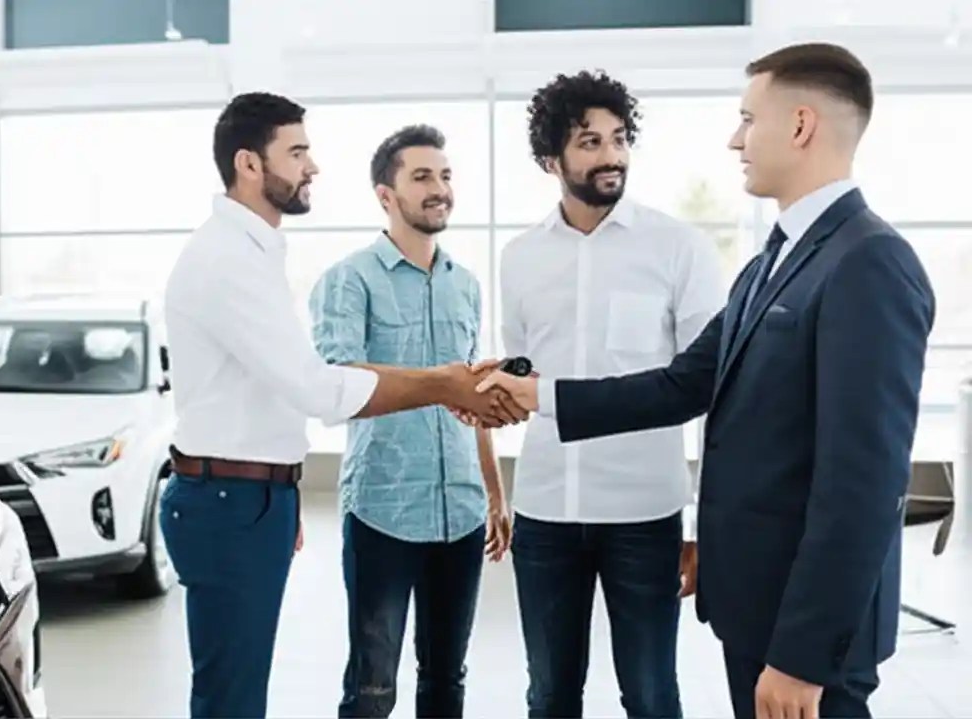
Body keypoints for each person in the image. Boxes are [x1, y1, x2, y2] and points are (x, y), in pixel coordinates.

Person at [471, 43, 935, 719]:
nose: (734, 139)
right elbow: (684, 384)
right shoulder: (771, 262)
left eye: (749, 119)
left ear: (800, 126)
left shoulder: (868, 262)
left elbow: (863, 486)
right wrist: (530, 393)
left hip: (800, 636)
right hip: (754, 606)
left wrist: (803, 655)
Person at [160, 92, 527, 719]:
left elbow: (271, 393)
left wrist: (283, 492)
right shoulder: (237, 262)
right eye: (298, 152)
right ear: (250, 164)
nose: (313, 166)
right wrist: (442, 383)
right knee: (256, 697)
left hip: (267, 496)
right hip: (278, 502)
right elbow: (320, 387)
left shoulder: (254, 254)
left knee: (245, 692)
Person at [496, 71, 727, 719]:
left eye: (620, 138)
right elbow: (521, 377)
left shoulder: (680, 248)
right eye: (590, 142)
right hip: (544, 511)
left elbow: (712, 393)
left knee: (652, 695)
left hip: (644, 514)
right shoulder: (518, 257)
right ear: (552, 160)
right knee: (549, 695)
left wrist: (705, 521)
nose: (611, 155)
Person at [308, 124, 512, 719]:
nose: (439, 189)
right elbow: (338, 384)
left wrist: (495, 492)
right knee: (373, 687)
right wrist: (438, 384)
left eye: (445, 176)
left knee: (447, 679)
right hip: (383, 511)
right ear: (385, 195)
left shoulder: (466, 287)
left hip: (463, 513)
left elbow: (472, 396)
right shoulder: (349, 281)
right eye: (421, 176)